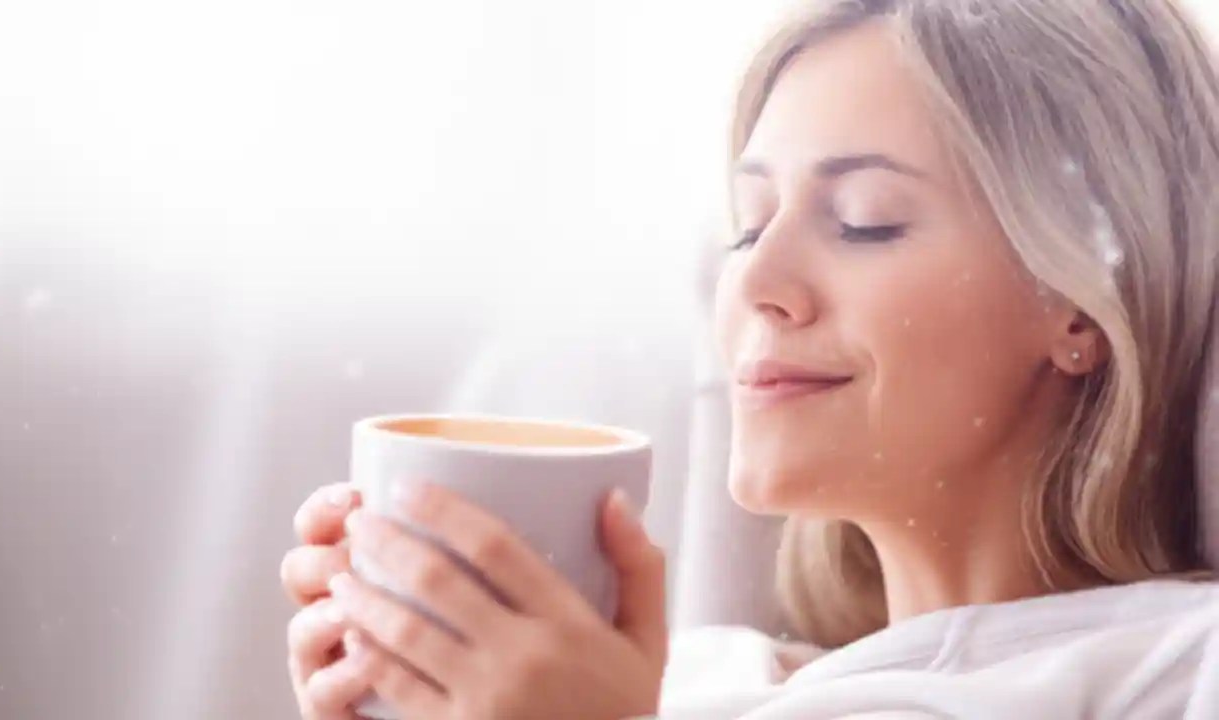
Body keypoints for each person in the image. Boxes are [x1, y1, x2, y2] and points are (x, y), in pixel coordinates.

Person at [279, 0, 1219, 717]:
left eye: (864, 222)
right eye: (748, 226)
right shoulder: (692, 680)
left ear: (1079, 304)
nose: (758, 281)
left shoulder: (1166, 671)